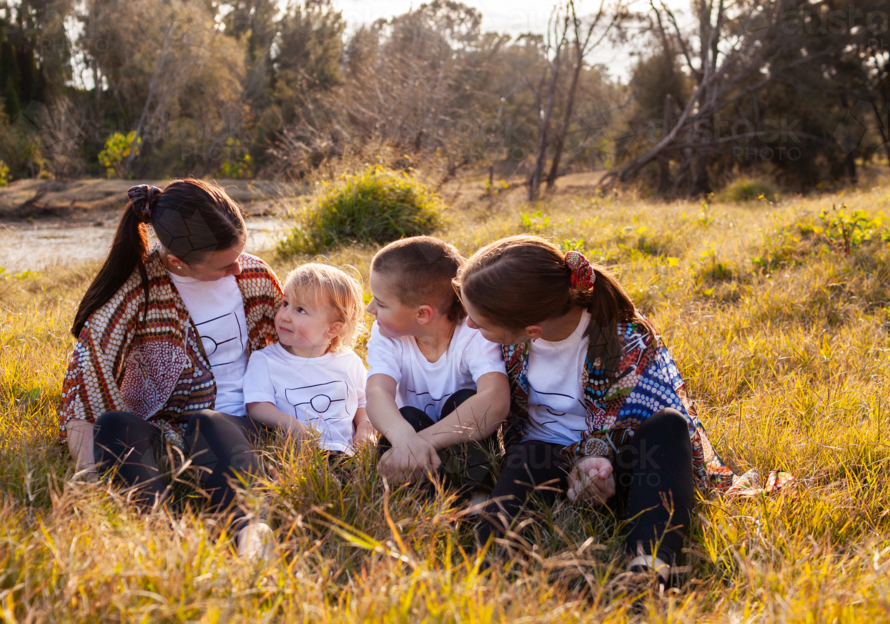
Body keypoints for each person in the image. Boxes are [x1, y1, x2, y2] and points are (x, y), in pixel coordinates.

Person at [458, 234, 742, 585]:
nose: (469, 326)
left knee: (669, 427)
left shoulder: (626, 338)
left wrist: (598, 463)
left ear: (531, 330)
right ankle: (489, 563)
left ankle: (648, 570)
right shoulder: (504, 346)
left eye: (480, 322)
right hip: (544, 463)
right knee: (528, 455)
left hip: (623, 471)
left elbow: (642, 417)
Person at [59, 179, 282, 557]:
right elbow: (85, 394)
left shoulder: (255, 277)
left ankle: (249, 532)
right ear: (177, 261)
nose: (237, 270)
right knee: (114, 426)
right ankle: (162, 535)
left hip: (241, 422)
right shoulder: (133, 294)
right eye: (224, 265)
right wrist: (87, 480)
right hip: (166, 429)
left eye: (239, 255)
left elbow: (302, 353)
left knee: (207, 422)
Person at [364, 237, 510, 501]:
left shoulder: (473, 332)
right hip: (411, 437)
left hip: (458, 443)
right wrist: (403, 437)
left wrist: (421, 441)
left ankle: (475, 496)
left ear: (422, 315)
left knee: (467, 402)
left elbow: (495, 400)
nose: (369, 308)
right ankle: (422, 498)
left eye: (381, 303)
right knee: (405, 414)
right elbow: (377, 392)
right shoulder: (386, 334)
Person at [244, 263, 376, 455]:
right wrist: (290, 424)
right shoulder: (266, 360)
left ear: (333, 329)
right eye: (286, 304)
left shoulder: (348, 361)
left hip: (346, 453)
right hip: (300, 453)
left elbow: (365, 401)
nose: (285, 316)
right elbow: (256, 405)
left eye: (301, 310)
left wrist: (365, 425)